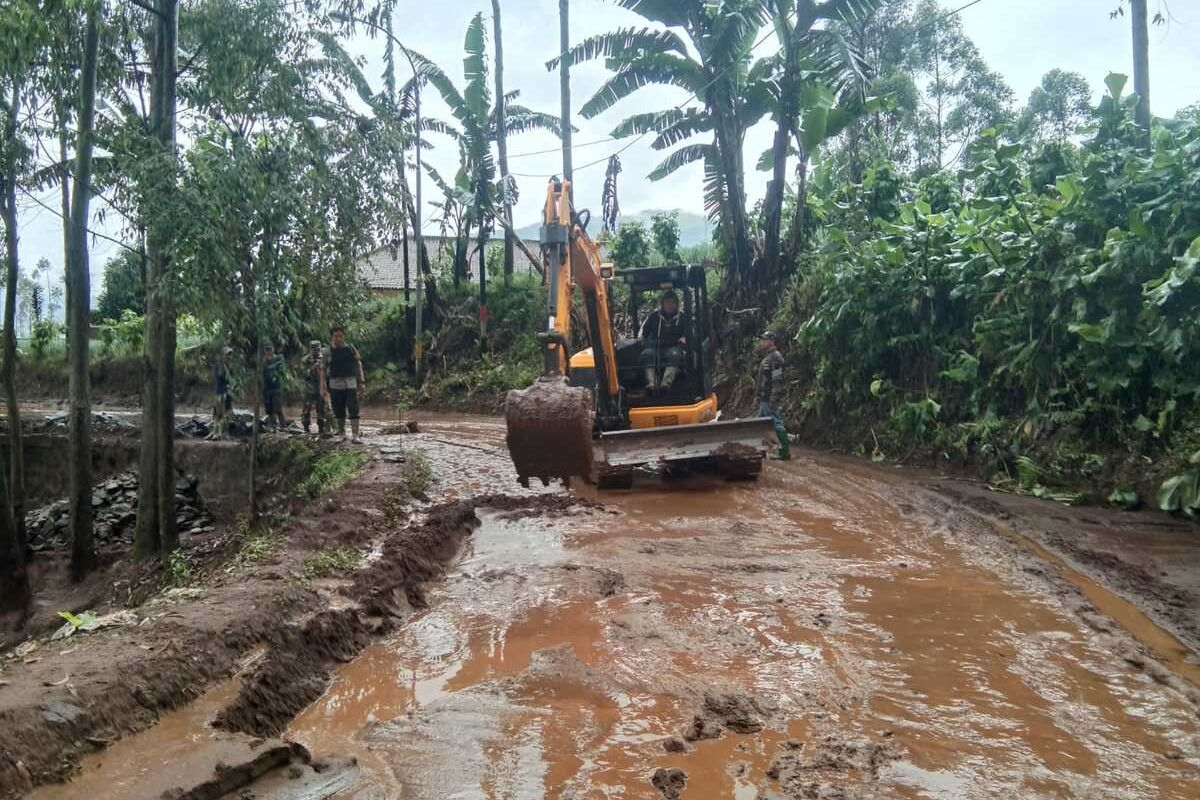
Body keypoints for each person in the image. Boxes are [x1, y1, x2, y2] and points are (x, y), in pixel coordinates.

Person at [639, 290, 687, 392]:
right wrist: (643, 339)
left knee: (674, 355)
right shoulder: (653, 316)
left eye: (673, 302)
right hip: (655, 347)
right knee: (646, 354)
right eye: (667, 302)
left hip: (674, 347)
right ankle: (651, 384)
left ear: (677, 304)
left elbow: (689, 333)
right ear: (663, 303)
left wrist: (684, 338)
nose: (670, 305)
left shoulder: (683, 318)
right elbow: (644, 332)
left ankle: (665, 385)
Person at [327, 326, 365, 443]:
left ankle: (355, 435)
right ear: (332, 337)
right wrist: (322, 385)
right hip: (335, 382)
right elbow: (323, 369)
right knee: (338, 409)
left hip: (350, 381)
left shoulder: (351, 349)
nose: (338, 338)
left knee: (353, 407)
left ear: (344, 337)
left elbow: (359, 364)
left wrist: (362, 381)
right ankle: (342, 434)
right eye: (335, 336)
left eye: (340, 336)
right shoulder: (327, 351)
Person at [757, 331, 791, 461]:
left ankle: (784, 452)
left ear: (771, 341)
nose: (762, 342)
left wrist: (774, 398)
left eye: (764, 340)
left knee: (776, 423)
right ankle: (760, 450)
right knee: (759, 424)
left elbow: (777, 380)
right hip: (764, 397)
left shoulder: (775, 357)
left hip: (770, 398)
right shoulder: (768, 357)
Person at [301, 340, 330, 436]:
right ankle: (306, 428)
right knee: (306, 408)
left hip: (320, 387)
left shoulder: (324, 359)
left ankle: (321, 428)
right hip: (309, 387)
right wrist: (314, 367)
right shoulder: (305, 360)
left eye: (318, 350)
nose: (317, 352)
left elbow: (328, 373)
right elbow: (304, 374)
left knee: (321, 408)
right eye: (315, 350)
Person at [207, 345, 234, 440]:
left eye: (230, 355)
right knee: (217, 413)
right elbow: (216, 379)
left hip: (226, 392)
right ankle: (215, 432)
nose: (229, 357)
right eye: (227, 355)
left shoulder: (230, 367)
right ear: (223, 355)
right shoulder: (219, 366)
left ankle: (221, 433)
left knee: (224, 413)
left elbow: (231, 381)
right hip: (220, 391)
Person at [262, 343, 287, 430]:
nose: (269, 351)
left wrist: (275, 366)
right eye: (267, 350)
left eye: (270, 349)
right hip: (267, 389)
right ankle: (274, 426)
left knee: (278, 408)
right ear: (265, 351)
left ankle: (283, 426)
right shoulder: (263, 361)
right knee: (269, 410)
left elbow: (282, 369)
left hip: (276, 388)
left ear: (273, 349)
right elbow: (262, 373)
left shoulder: (278, 358)